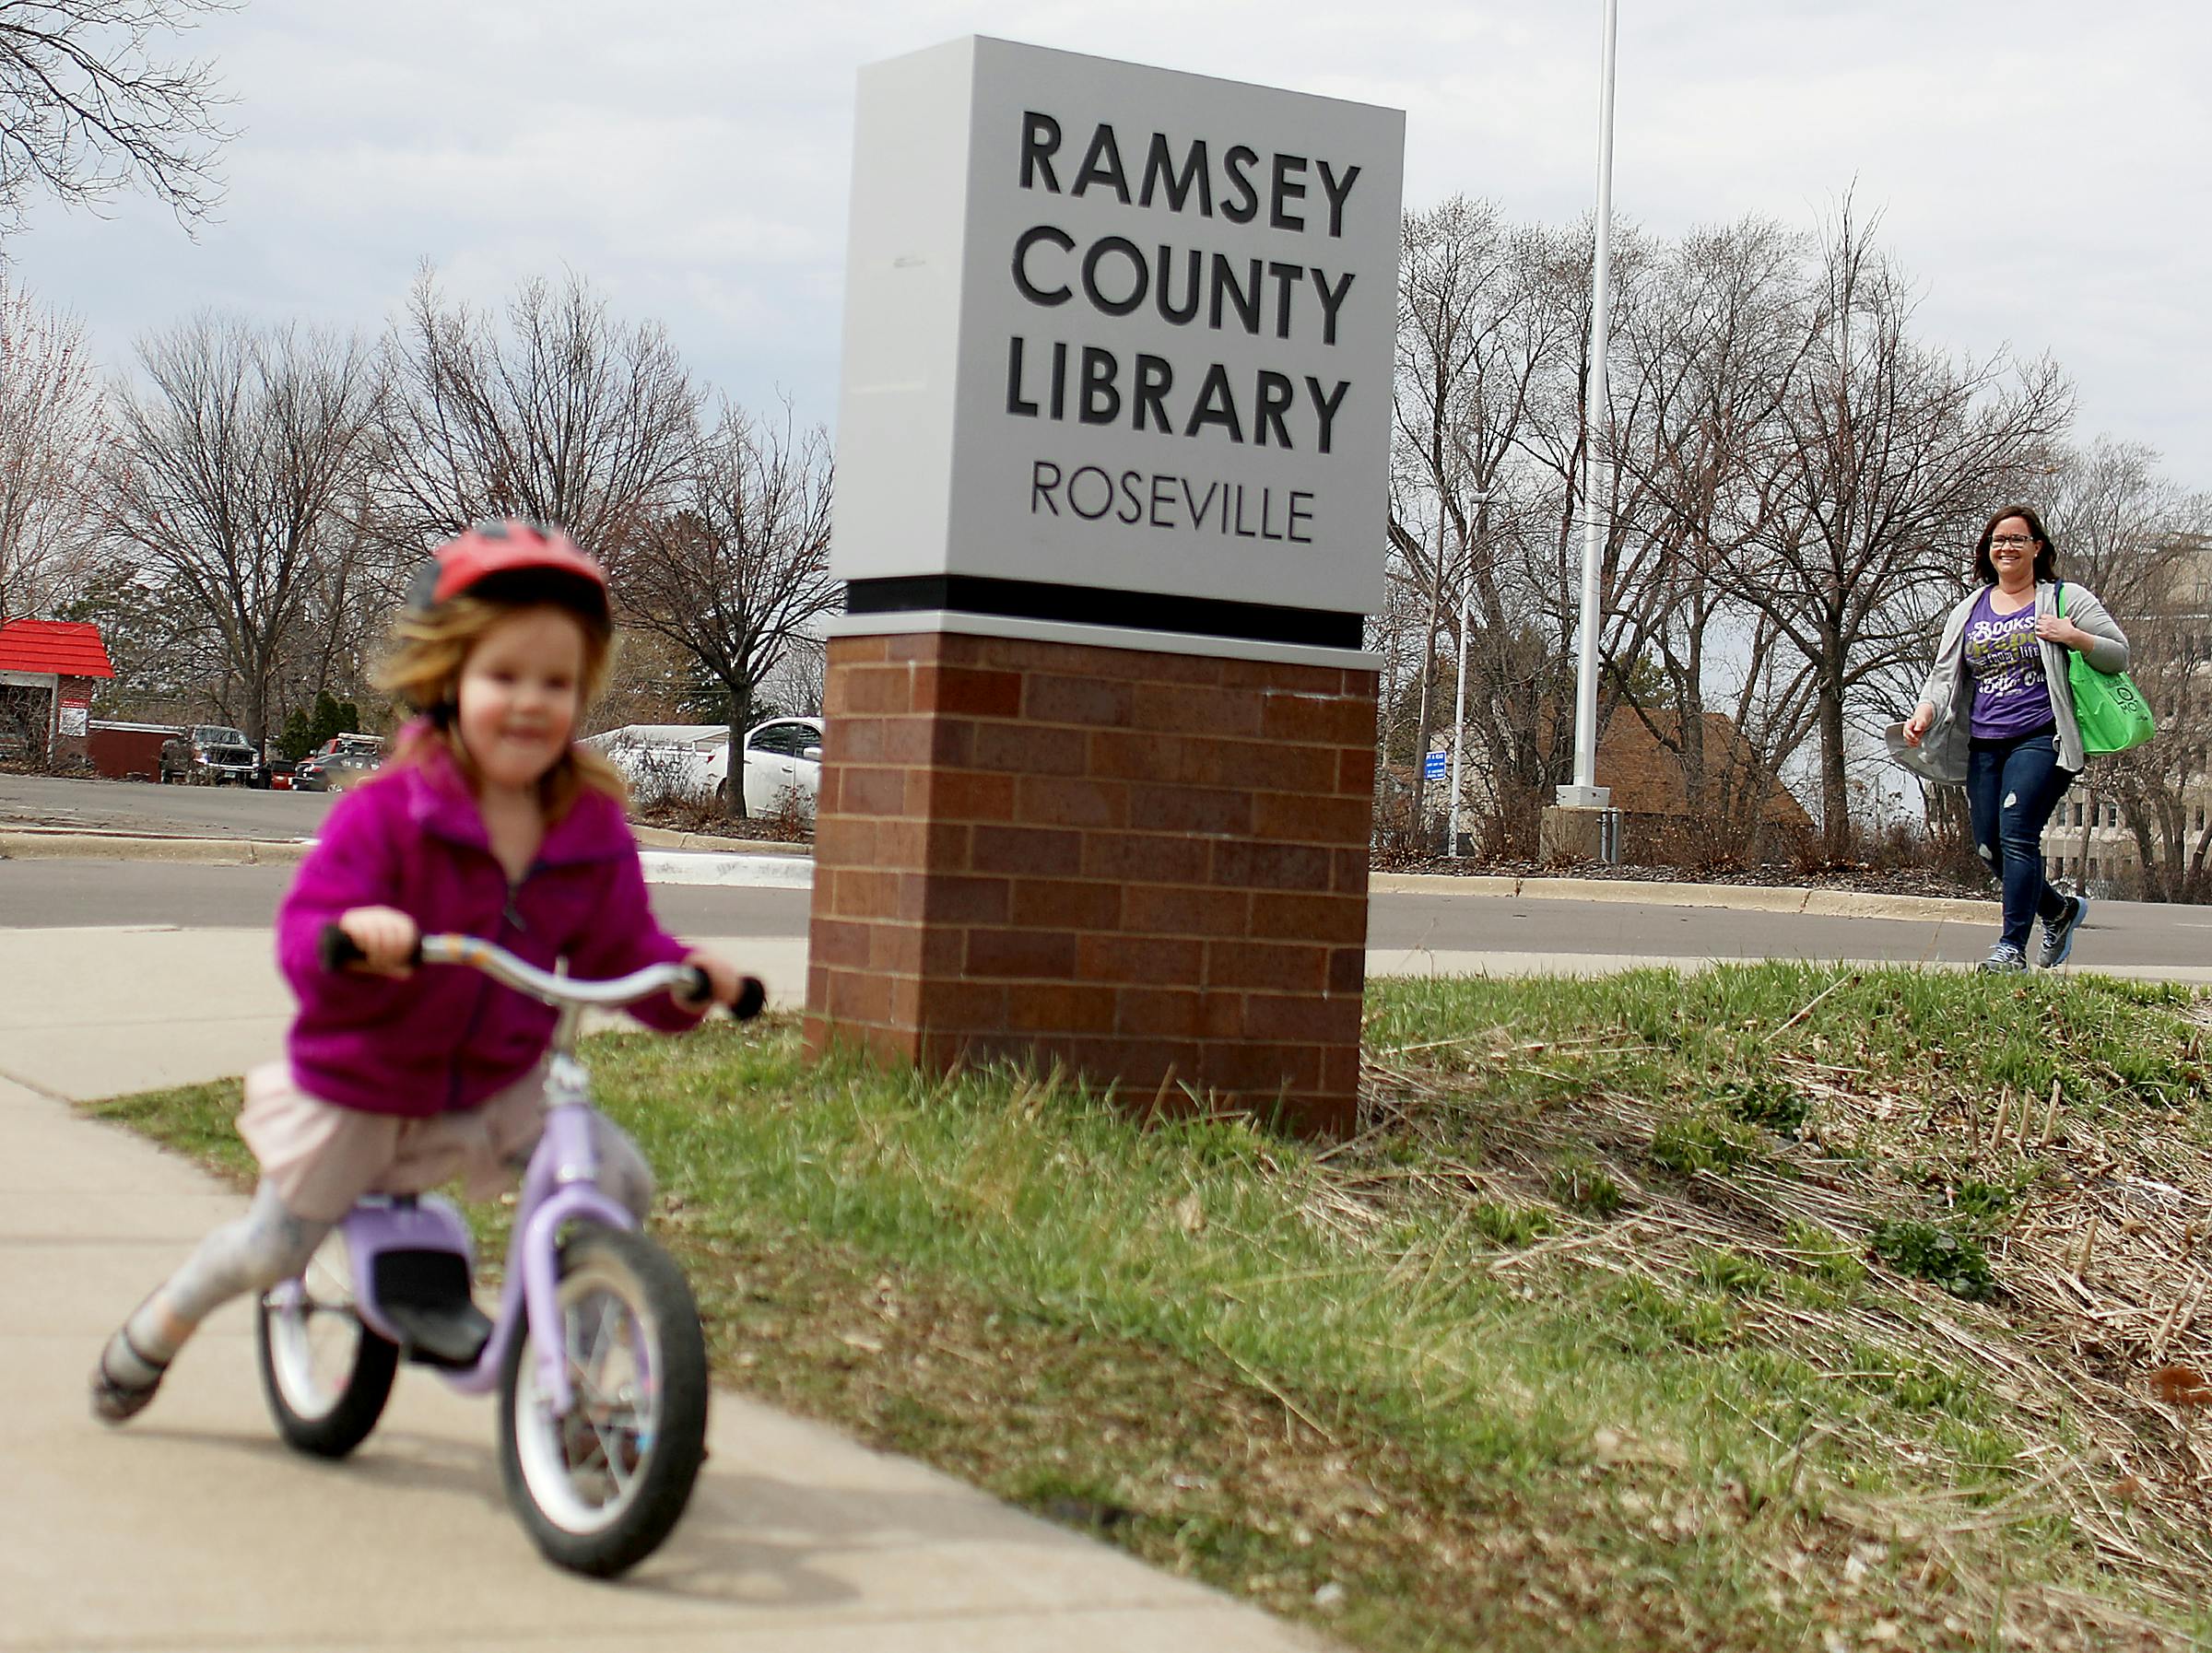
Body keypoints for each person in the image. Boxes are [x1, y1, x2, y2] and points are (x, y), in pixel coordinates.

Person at [90, 520, 747, 1423]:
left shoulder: (587, 826)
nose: (530, 703)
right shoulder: (391, 814)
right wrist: (357, 933)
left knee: (615, 1177)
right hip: (367, 1082)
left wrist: (685, 977)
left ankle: (578, 1362)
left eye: (555, 683)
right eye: (502, 678)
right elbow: (307, 928)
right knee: (273, 1249)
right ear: (447, 683)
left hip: (494, 1081)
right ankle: (156, 1330)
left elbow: (622, 948)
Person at [1899, 504, 2130, 974]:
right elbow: (1945, 677)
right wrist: (1925, 711)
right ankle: (2059, 911)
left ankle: (2009, 950)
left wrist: (2074, 636)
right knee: (1989, 846)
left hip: (2041, 738)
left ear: (2036, 547)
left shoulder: (2065, 598)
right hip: (1985, 743)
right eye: (1997, 540)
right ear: (1988, 550)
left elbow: (2117, 655)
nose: (2006, 547)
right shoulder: (1970, 608)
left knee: (2018, 832)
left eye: (2017, 539)